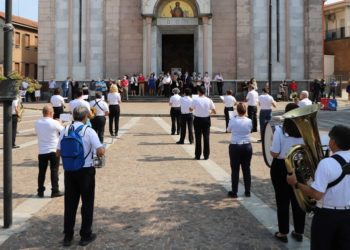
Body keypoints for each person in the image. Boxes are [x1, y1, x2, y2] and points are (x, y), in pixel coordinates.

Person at [287, 125, 350, 250]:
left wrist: (296, 183)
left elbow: (316, 195)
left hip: (327, 216)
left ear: (333, 142)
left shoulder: (327, 163)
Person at [57, 106, 105, 247]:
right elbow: (100, 151)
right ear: (85, 117)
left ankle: (68, 236)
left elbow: (58, 152)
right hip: (86, 171)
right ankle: (85, 235)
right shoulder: (88, 131)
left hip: (69, 171)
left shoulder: (65, 130)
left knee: (70, 204)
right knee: (87, 203)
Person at [270, 103, 306, 243]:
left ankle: (283, 232)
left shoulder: (280, 130)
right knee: (298, 200)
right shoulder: (304, 130)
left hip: (281, 166)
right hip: (298, 166)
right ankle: (299, 232)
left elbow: (274, 153)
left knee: (282, 200)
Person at [35, 105, 64, 198]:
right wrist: (60, 123)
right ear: (50, 113)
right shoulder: (54, 122)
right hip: (53, 149)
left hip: (42, 150)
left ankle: (40, 191)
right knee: (54, 171)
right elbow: (63, 131)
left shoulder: (37, 122)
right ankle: (54, 190)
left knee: (41, 172)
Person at [227, 103, 252, 198]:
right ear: (245, 111)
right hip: (246, 145)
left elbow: (228, 130)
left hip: (235, 145)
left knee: (235, 169)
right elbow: (249, 130)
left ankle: (234, 191)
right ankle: (247, 191)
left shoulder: (233, 120)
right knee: (246, 169)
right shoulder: (249, 120)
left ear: (237, 110)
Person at [190, 86, 216, 160]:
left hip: (197, 119)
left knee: (198, 138)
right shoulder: (209, 100)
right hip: (206, 119)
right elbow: (214, 111)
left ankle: (198, 155)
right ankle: (206, 155)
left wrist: (193, 109)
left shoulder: (195, 100)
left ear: (199, 92)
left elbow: (191, 109)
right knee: (206, 138)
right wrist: (209, 111)